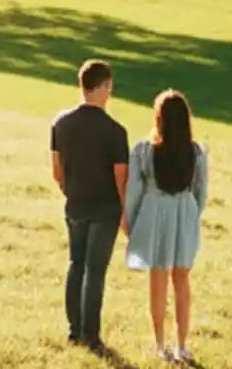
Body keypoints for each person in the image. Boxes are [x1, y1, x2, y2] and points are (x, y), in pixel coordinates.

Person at [50, 59, 130, 353]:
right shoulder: (114, 131)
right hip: (105, 209)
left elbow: (56, 170)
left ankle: (74, 331)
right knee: (95, 271)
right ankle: (91, 335)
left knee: (76, 265)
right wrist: (126, 216)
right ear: (105, 86)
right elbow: (121, 179)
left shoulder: (60, 123)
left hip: (75, 205)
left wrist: (68, 190)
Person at [123, 89, 208, 363]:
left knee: (157, 281)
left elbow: (133, 192)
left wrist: (130, 223)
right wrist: (191, 216)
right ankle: (182, 345)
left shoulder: (143, 151)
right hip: (184, 213)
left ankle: (160, 345)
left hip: (153, 215)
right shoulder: (196, 153)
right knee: (182, 281)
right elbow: (201, 193)